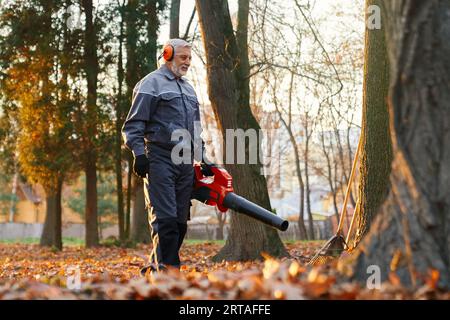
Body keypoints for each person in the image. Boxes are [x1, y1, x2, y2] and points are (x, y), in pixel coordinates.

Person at [122, 38, 212, 274]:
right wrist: (139, 154)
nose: (187, 62)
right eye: (183, 57)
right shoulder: (151, 84)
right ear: (168, 54)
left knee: (180, 224)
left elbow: (195, 130)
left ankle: (156, 268)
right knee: (166, 221)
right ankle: (169, 276)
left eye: (190, 58)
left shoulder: (189, 89)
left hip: (183, 160)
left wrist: (203, 158)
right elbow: (133, 124)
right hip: (160, 157)